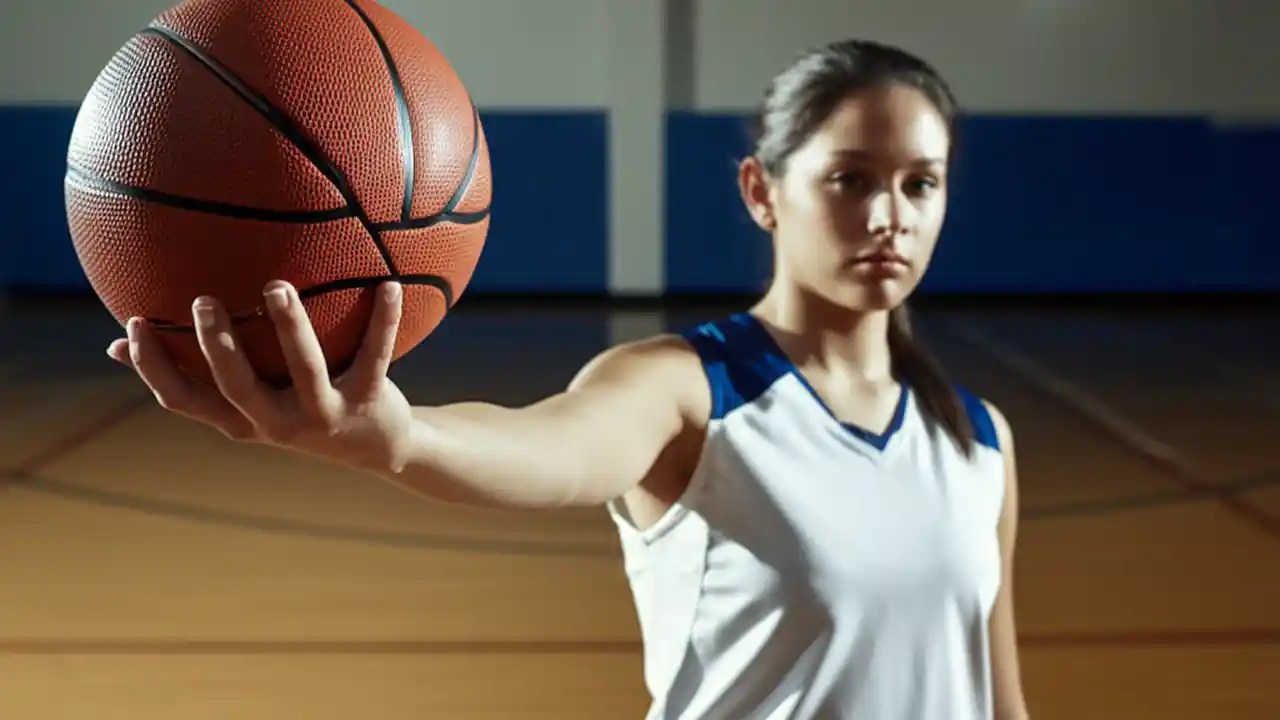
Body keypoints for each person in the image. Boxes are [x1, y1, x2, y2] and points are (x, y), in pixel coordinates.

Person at [107, 38, 1030, 720]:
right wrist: (403, 440)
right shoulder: (687, 389)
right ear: (762, 191)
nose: (890, 215)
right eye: (851, 179)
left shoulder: (979, 439)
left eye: (921, 184)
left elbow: (997, 695)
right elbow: (554, 446)